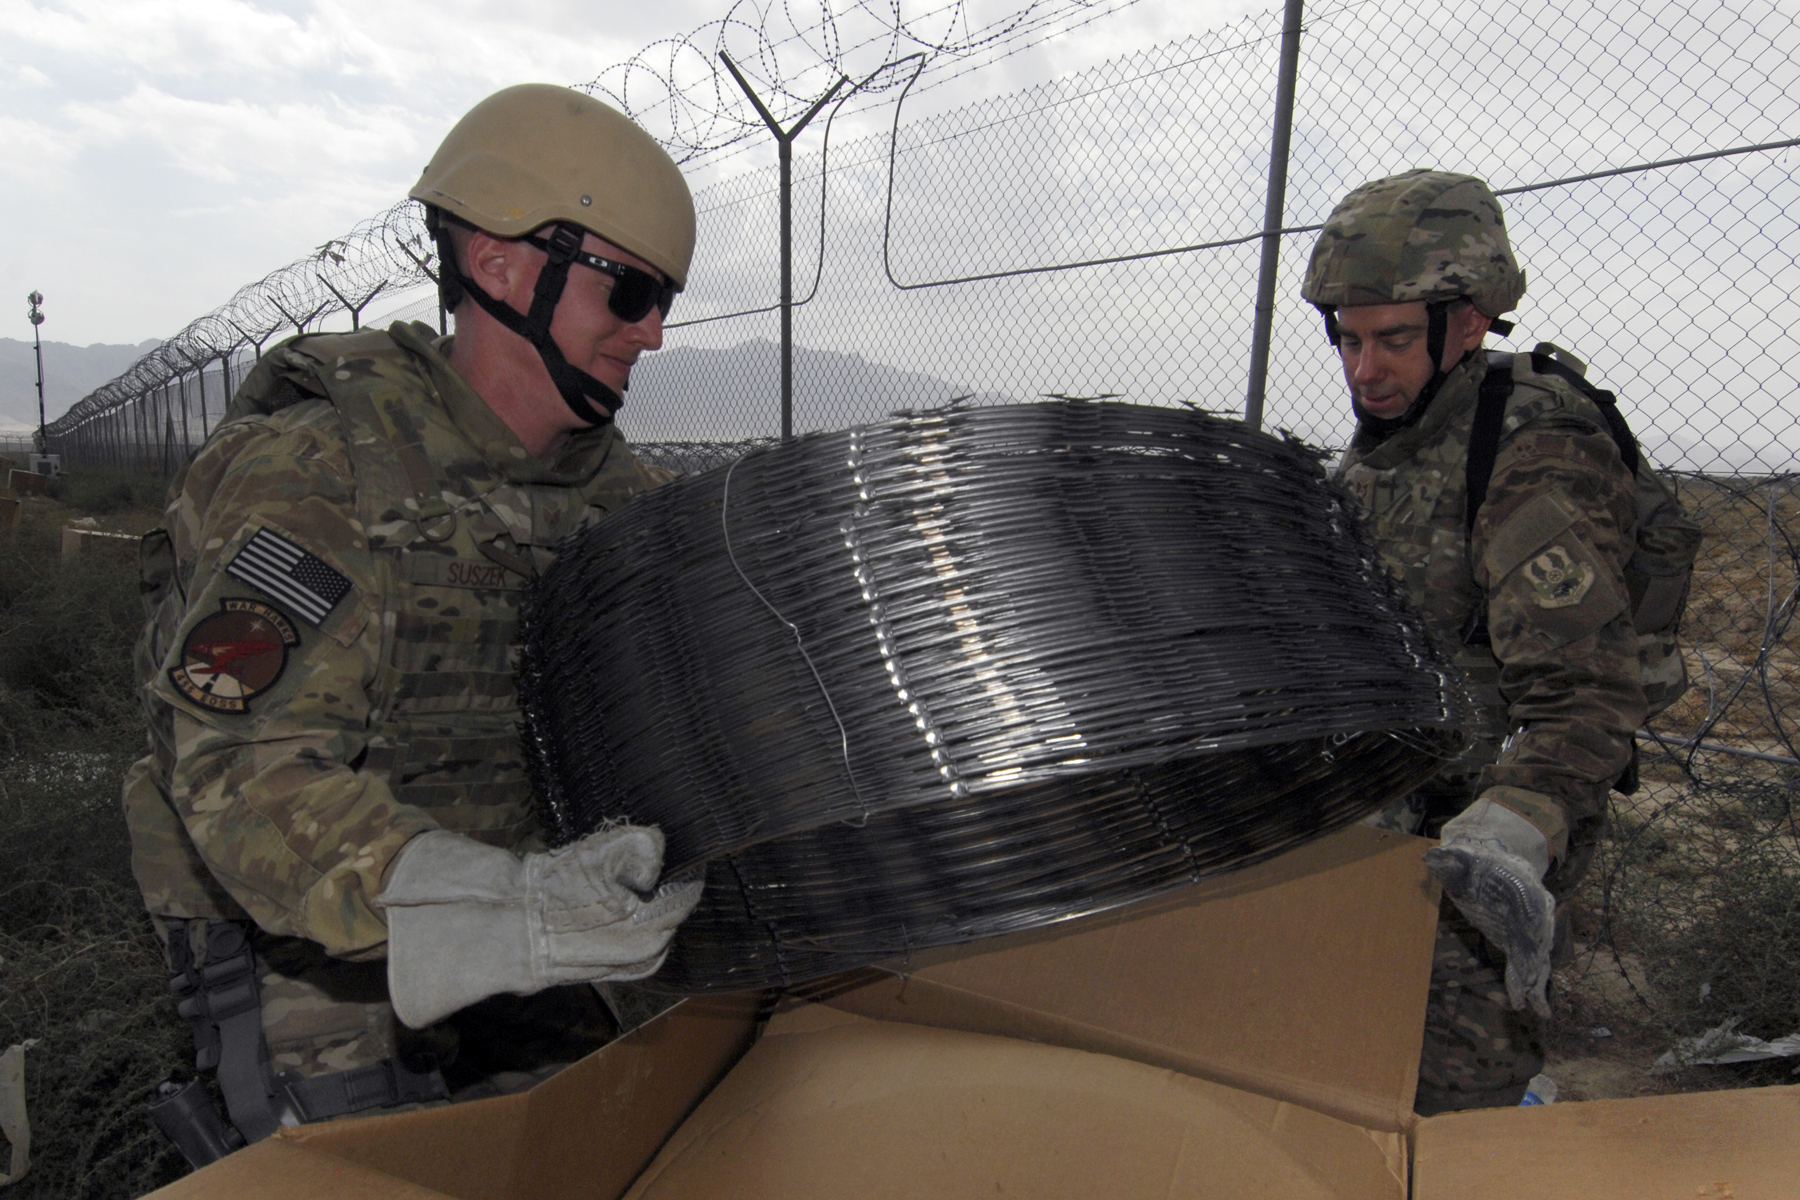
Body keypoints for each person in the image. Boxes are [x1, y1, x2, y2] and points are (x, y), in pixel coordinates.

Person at [123, 83, 704, 1163]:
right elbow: (245, 775)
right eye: (627, 291)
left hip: (545, 919)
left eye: (665, 297)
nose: (655, 333)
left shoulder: (627, 508)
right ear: (496, 267)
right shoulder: (322, 474)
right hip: (321, 946)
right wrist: (504, 905)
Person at [1300, 170, 1646, 1113]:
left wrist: (1509, 835)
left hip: (1484, 832)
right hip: (1391, 799)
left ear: (1471, 321)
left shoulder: (1533, 450)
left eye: (1395, 340)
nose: (1365, 370)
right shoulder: (1393, 442)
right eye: (1350, 339)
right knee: (1338, 1053)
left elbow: (1587, 697)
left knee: (1452, 1097)